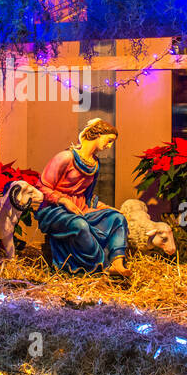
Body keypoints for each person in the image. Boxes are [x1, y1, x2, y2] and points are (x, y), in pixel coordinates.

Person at [36, 118, 131, 278]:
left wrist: (104, 208)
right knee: (79, 225)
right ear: (98, 134)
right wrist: (63, 200)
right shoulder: (66, 157)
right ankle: (102, 267)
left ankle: (117, 264)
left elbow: (87, 197)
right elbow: (42, 186)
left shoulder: (95, 164)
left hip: (81, 209)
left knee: (117, 218)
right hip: (55, 210)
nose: (109, 146)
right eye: (109, 141)